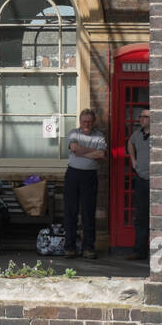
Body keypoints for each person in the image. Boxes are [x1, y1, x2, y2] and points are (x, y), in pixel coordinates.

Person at [63, 108, 107, 259]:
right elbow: (74, 148)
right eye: (84, 121)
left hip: (90, 176)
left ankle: (88, 247)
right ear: (80, 122)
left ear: (93, 122)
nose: (86, 124)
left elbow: (101, 154)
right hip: (73, 174)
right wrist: (91, 152)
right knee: (71, 212)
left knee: (88, 212)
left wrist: (82, 151)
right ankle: (70, 247)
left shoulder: (99, 136)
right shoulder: (74, 133)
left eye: (89, 121)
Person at [127, 107, 150, 261]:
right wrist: (133, 159)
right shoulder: (137, 134)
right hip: (141, 179)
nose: (141, 119)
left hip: (157, 181)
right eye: (141, 116)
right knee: (141, 217)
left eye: (145, 117)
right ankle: (140, 251)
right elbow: (130, 143)